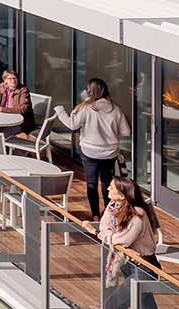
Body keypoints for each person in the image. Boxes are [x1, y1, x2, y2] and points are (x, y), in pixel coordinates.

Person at [91, 178, 175, 309]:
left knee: (113, 307)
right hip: (131, 265)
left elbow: (123, 239)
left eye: (112, 186)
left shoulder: (138, 215)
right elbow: (104, 227)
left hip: (145, 268)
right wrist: (105, 232)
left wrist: (102, 235)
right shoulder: (115, 207)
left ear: (122, 194)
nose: (108, 187)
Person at [52, 77, 133, 219]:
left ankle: (95, 215)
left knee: (92, 183)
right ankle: (108, 214)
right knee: (107, 184)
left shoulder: (87, 108)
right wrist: (110, 132)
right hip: (110, 152)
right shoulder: (115, 109)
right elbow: (126, 132)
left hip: (90, 151)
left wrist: (60, 111)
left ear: (90, 92)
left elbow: (72, 125)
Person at [0, 68, 35, 133]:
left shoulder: (23, 90)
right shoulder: (2, 87)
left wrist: (1, 109)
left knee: (1, 131)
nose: (13, 81)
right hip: (4, 118)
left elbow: (23, 109)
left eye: (15, 78)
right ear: (5, 80)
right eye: (10, 79)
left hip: (20, 122)